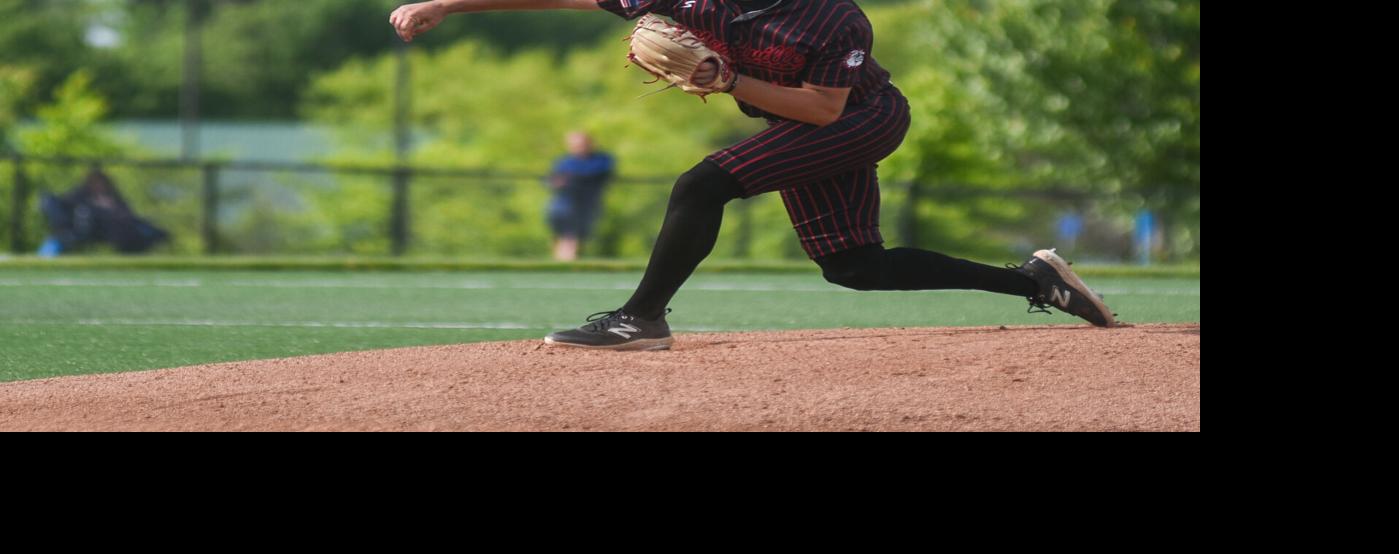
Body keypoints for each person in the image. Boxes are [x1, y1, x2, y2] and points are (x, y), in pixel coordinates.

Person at [390, 0, 1116, 351]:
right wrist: (449, 4)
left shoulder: (833, 18)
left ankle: (641, 318)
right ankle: (1035, 281)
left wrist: (728, 78)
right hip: (798, 119)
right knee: (856, 268)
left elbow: (824, 110)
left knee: (701, 184)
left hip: (862, 117)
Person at [38, 168, 169, 257]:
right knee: (61, 237)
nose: (99, 186)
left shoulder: (112, 197)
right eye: (96, 182)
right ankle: (46, 256)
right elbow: (66, 207)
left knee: (140, 231)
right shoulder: (80, 195)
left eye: (101, 183)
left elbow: (127, 214)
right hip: (82, 229)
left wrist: (110, 208)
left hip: (114, 230)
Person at [545, 131, 616, 261]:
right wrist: (557, 182)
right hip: (562, 203)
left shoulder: (602, 160)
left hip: (585, 203)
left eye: (581, 145)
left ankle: (567, 260)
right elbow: (551, 180)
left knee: (574, 235)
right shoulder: (564, 161)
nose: (578, 148)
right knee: (562, 235)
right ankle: (562, 261)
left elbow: (591, 175)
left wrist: (570, 178)